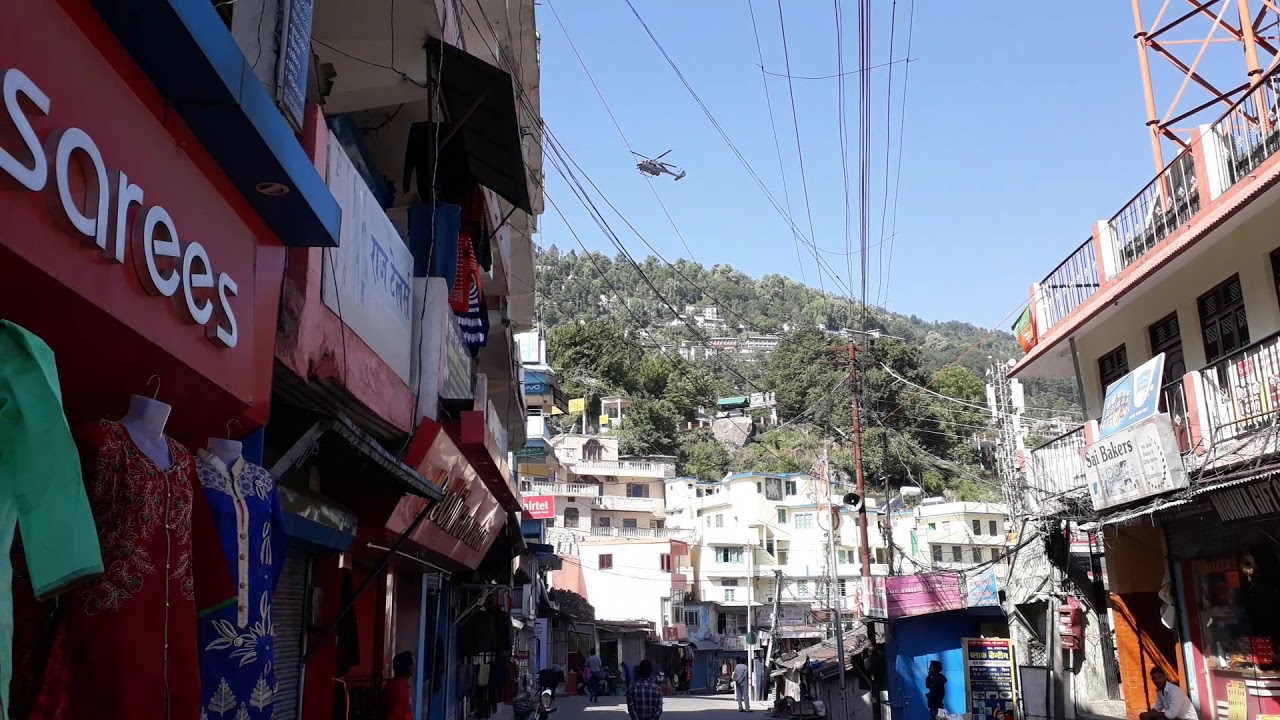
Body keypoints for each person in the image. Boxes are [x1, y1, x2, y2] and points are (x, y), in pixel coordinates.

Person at [378, 651, 415, 720]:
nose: (414, 667)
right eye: (413, 664)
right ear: (408, 667)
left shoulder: (397, 685)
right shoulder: (399, 690)